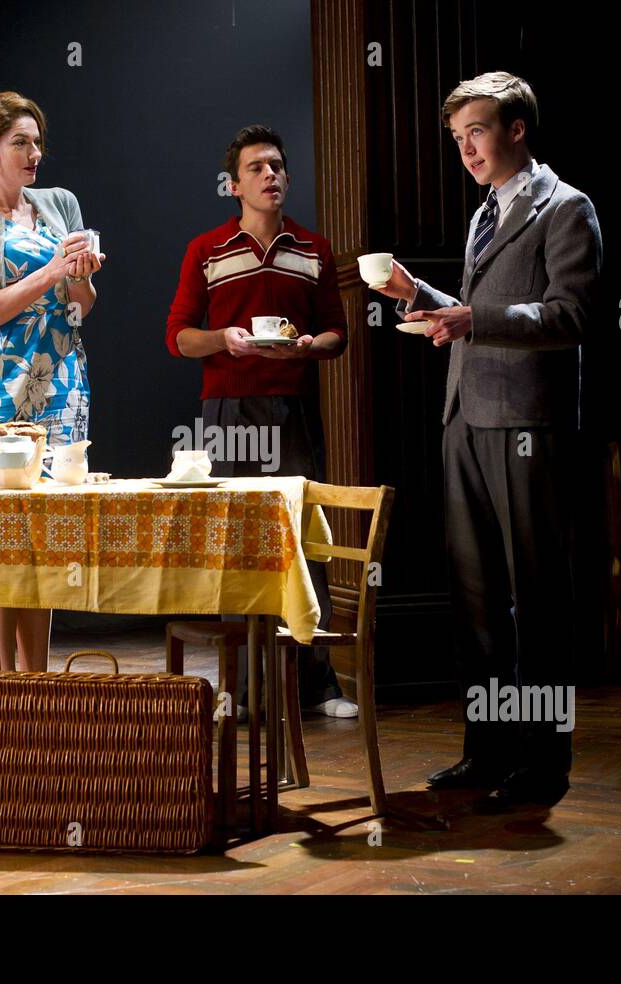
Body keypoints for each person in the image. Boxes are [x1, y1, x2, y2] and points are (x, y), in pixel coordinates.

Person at [374, 72, 601, 808]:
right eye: (457, 136)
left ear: (516, 128)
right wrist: (420, 296)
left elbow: (570, 317)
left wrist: (472, 319)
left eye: (476, 130)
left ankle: (543, 764)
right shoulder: (482, 214)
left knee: (538, 601)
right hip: (465, 422)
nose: (466, 147)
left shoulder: (567, 208)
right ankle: (488, 749)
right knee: (477, 603)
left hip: (528, 428)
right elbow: (479, 309)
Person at [165, 124, 354, 718]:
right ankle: (239, 690)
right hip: (226, 410)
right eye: (256, 168)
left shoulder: (315, 249)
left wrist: (304, 348)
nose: (270, 175)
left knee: (302, 537)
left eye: (277, 166)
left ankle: (318, 685)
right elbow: (178, 338)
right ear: (234, 184)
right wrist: (224, 339)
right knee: (236, 546)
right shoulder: (206, 249)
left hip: (293, 406)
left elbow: (336, 335)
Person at [0, 90, 104, 671]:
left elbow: (81, 306)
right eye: (20, 143)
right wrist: (53, 270)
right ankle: (2, 683)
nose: (35, 153)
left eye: (36, 141)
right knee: (6, 534)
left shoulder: (60, 203)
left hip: (59, 382)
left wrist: (80, 277)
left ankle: (39, 682)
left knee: (50, 534)